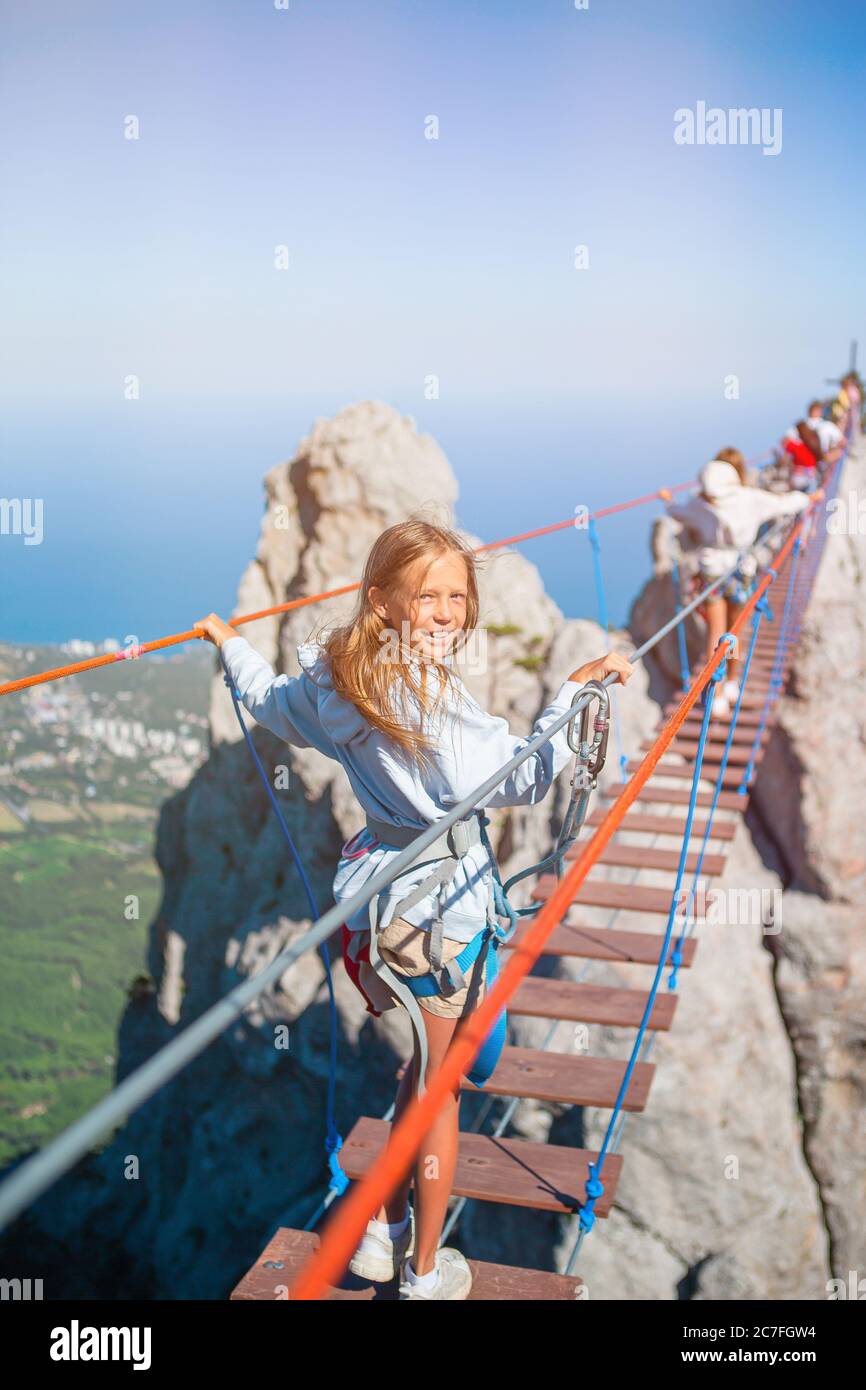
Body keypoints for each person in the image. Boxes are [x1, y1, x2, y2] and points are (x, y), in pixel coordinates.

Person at [194, 518, 633, 1300]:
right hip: (443, 914)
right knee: (441, 1092)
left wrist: (228, 640)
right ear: (383, 602)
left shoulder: (339, 680)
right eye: (425, 596)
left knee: (427, 1071)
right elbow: (522, 778)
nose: (445, 613)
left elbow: (269, 704)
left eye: (456, 597)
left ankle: (380, 1233)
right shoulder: (430, 700)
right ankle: (426, 1271)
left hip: (388, 892)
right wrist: (576, 693)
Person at [666, 450, 812, 719]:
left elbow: (676, 512)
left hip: (712, 571)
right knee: (736, 630)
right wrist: (808, 497)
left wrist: (668, 501)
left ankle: (717, 695)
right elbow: (785, 503)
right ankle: (732, 683)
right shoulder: (750, 498)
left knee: (716, 633)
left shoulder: (700, 504)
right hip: (741, 570)